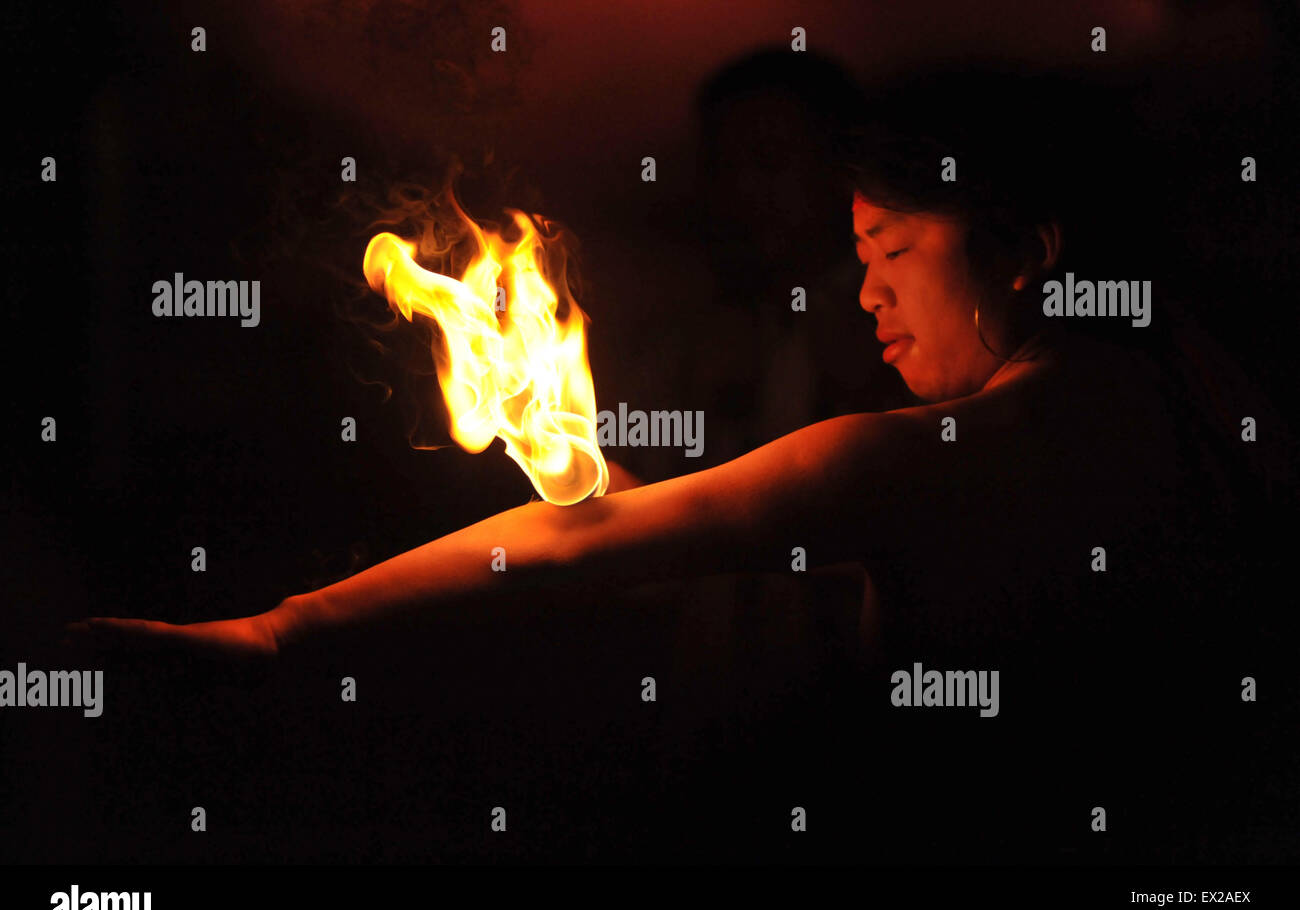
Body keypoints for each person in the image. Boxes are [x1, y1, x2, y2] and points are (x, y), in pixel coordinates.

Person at [71, 70, 1294, 862]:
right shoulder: (1199, 385)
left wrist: (285, 630)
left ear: (1022, 248)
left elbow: (578, 537)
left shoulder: (922, 462)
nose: (866, 289)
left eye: (888, 246)